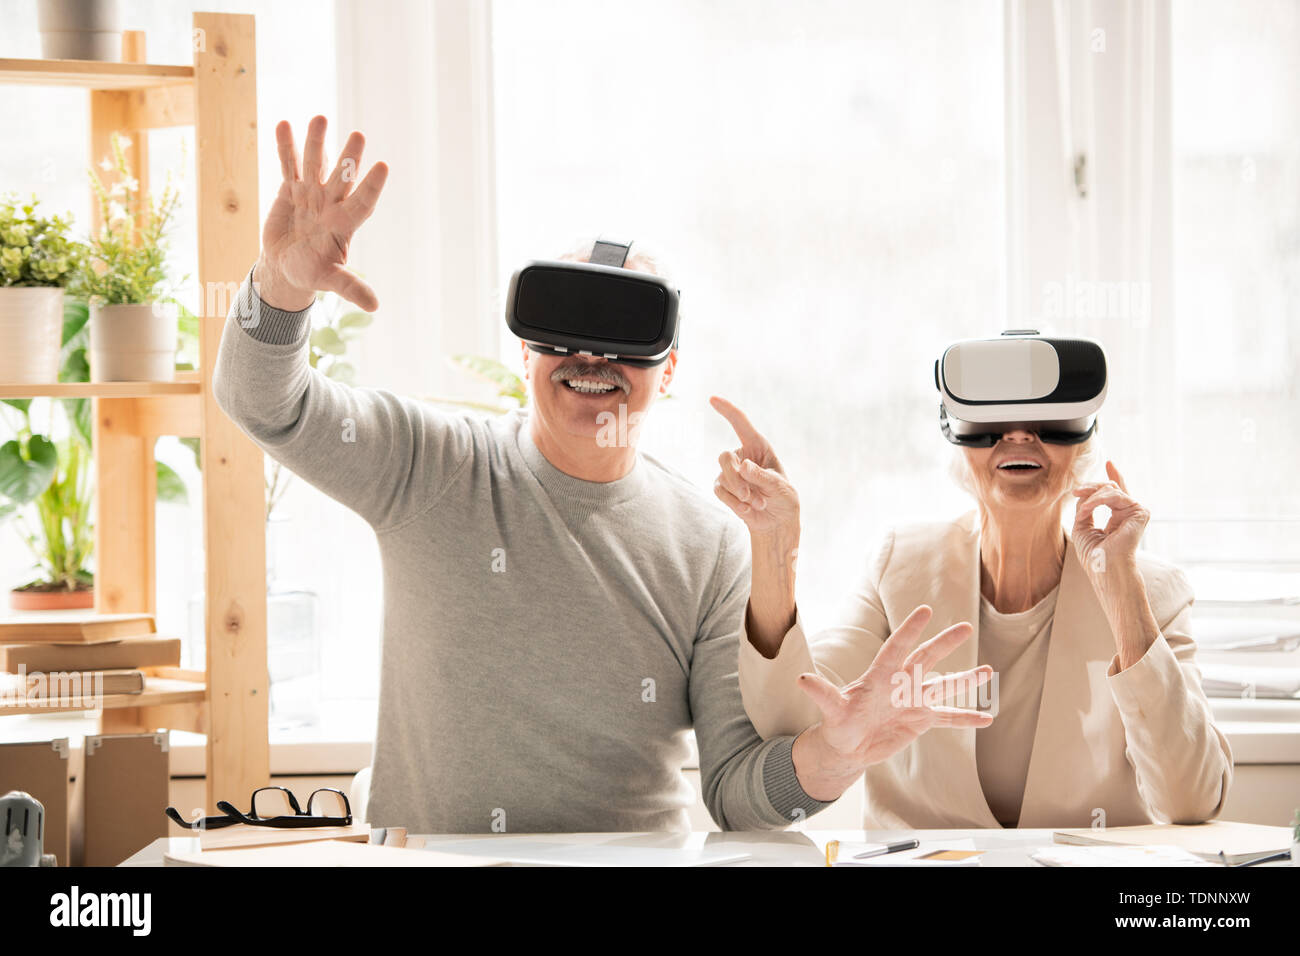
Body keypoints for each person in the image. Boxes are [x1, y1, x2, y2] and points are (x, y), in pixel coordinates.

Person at [212, 116, 990, 833]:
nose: (593, 359)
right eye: (565, 333)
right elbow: (263, 403)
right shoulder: (429, 465)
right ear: (525, 353)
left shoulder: (712, 543)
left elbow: (736, 797)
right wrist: (283, 285)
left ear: (670, 370)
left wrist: (835, 755)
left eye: (624, 337)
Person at [712, 393, 1232, 829]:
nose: (1020, 436)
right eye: (990, 421)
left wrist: (1121, 589)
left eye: (1049, 422)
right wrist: (774, 543)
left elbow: (1189, 801)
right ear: (958, 443)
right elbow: (792, 717)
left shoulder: (1153, 593)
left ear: (1083, 446)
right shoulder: (902, 564)